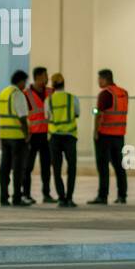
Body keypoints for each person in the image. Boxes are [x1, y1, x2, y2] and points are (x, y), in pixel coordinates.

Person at [88, 68, 128, 205]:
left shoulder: (104, 94)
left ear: (105, 79)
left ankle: (102, 196)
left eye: (99, 79)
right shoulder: (123, 93)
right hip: (119, 135)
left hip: (105, 135)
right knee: (119, 166)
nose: (98, 81)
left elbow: (98, 114)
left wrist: (95, 132)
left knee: (103, 166)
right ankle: (122, 196)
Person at [0, 70, 32, 206]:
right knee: (18, 169)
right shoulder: (18, 94)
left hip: (5, 135)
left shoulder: (3, 93)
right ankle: (17, 197)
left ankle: (3, 197)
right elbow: (22, 117)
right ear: (21, 81)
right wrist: (26, 134)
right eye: (25, 82)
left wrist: (2, 130)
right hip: (17, 137)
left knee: (4, 167)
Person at [46, 73, 80, 208]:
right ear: (64, 83)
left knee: (57, 168)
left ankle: (61, 198)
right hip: (70, 137)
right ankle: (70, 198)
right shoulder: (73, 98)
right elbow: (77, 113)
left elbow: (47, 116)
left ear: (53, 85)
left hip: (54, 137)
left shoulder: (48, 100)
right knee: (71, 167)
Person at [23, 66, 55, 203]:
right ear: (38, 77)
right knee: (27, 166)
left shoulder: (51, 92)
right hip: (33, 135)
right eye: (45, 76)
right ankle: (26, 194)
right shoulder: (26, 94)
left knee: (46, 167)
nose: (47, 79)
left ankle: (46, 194)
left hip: (47, 135)